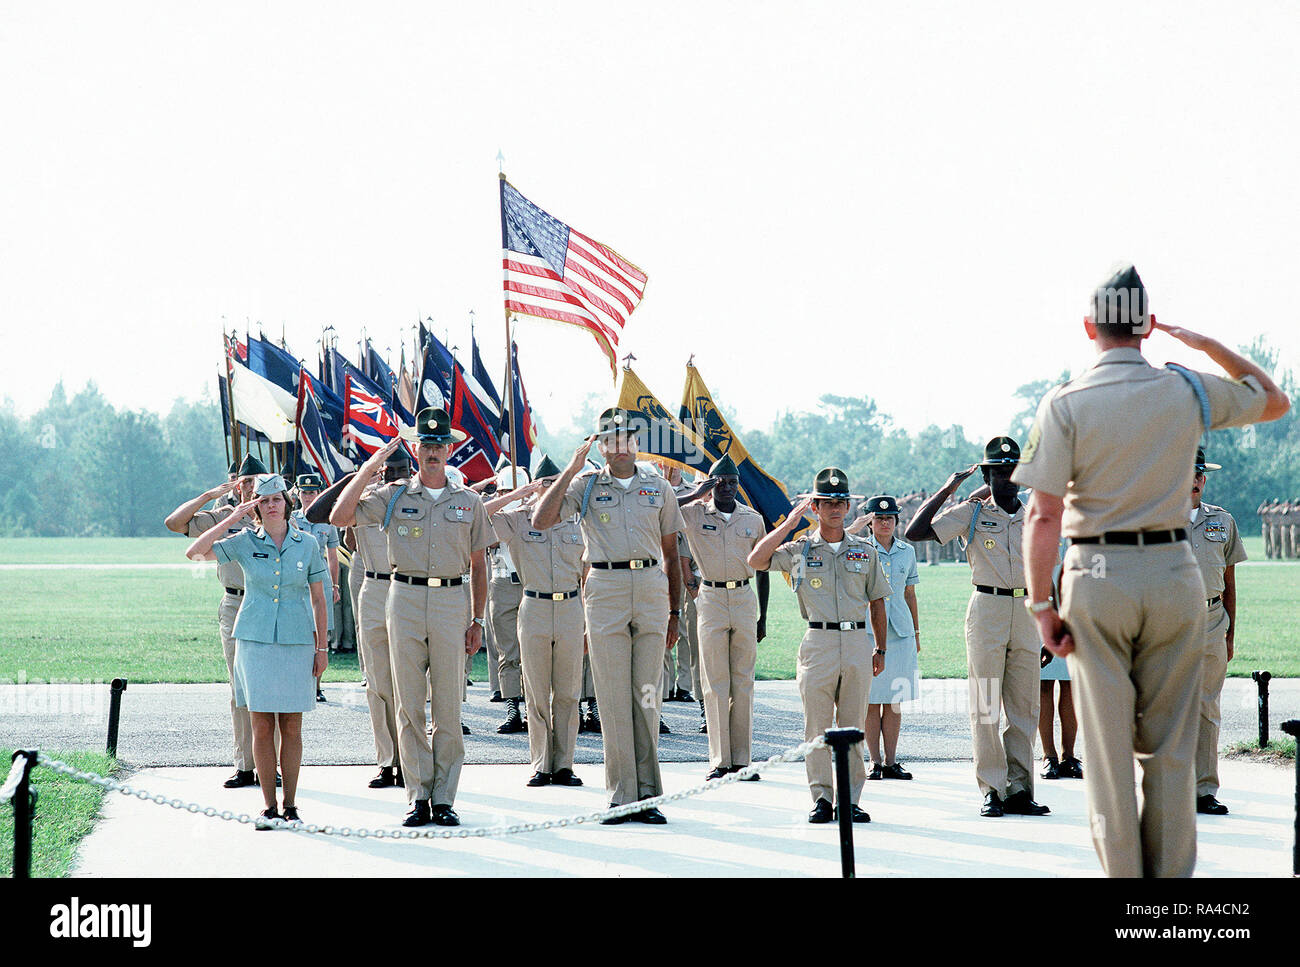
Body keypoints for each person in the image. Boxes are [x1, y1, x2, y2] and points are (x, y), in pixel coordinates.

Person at [1016, 264, 1288, 877]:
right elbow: (1274, 400)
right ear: (1148, 325)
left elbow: (1042, 516)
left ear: (1088, 325)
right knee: (1170, 749)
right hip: (1174, 572)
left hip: (1098, 573)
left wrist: (1041, 607)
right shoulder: (1186, 389)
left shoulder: (1065, 402)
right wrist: (1204, 344)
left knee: (1109, 756)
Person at [330, 409, 491, 828]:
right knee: (408, 704)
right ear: (416, 449)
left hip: (452, 602)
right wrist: (370, 467)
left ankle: (445, 797)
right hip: (402, 598)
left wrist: (478, 620)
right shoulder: (395, 496)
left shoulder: (468, 501)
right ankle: (418, 795)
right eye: (426, 445)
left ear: (448, 449)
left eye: (439, 446)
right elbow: (339, 517)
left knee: (449, 707)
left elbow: (479, 564)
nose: (433, 452)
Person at [532, 408, 685, 824]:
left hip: (651, 590)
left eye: (627, 438)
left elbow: (671, 554)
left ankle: (649, 795)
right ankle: (622, 795)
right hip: (605, 588)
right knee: (614, 699)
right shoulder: (586, 485)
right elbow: (541, 519)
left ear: (637, 442)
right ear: (599, 446)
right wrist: (570, 469)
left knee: (648, 697)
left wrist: (674, 612)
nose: (620, 447)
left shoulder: (658, 487)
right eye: (610, 440)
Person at [906, 437, 1050, 818]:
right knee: (986, 704)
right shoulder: (970, 512)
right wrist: (948, 490)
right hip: (987, 607)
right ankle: (992, 788)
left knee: (1024, 708)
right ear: (987, 475)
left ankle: (1020, 789)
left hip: (1028, 610)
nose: (1008, 477)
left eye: (1013, 469)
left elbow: (1046, 565)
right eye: (999, 470)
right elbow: (915, 533)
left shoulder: (1033, 512)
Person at [186, 473, 329, 828]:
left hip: (297, 641)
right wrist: (234, 517)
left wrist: (322, 647)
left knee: (292, 727)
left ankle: (291, 804)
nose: (271, 505)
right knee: (261, 727)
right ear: (256, 506)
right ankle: (268, 805)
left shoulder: (307, 543)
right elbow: (195, 552)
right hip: (254, 641)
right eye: (263, 501)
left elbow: (319, 599)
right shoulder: (244, 540)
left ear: (287, 502)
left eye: (276, 499)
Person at [749, 468, 889, 824]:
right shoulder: (800, 550)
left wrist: (881, 649)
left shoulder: (864, 551)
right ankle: (822, 798)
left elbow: (878, 602)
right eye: (827, 502)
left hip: (858, 641)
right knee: (817, 726)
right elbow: (756, 561)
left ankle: (850, 800)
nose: (835, 509)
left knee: (853, 724)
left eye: (841, 502)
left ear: (848, 506)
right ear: (815, 506)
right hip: (818, 641)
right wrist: (790, 523)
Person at [486, 454, 588, 787]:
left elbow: (587, 574)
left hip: (572, 607)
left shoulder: (578, 520)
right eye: (545, 484)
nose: (551, 489)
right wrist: (517, 495)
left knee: (569, 691)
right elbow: (476, 517)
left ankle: (564, 764)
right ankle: (541, 763)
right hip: (534, 606)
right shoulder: (518, 519)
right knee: (537, 689)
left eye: (557, 483)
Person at [163, 453, 263, 788]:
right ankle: (245, 764)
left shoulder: (278, 516)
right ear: (237, 484)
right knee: (240, 690)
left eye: (258, 481)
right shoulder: (223, 516)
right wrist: (209, 495)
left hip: (269, 606)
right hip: (235, 603)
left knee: (268, 690)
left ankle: (270, 764)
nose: (252, 487)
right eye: (246, 481)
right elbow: (174, 524)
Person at [678, 455, 770, 781]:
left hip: (745, 598)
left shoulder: (753, 519)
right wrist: (697, 492)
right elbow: (662, 507)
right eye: (721, 481)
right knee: (715, 682)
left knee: (743, 681)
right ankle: (720, 760)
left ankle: (742, 761)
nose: (727, 487)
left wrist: (763, 617)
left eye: (732, 481)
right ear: (711, 483)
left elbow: (762, 570)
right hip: (712, 596)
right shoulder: (693, 513)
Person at [1188, 447, 1247, 816]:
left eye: (1198, 474)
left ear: (1203, 480)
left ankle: (1204, 789)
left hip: (1211, 621)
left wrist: (1230, 633)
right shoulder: (1155, 521)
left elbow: (1229, 581)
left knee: (1207, 709)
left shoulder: (1222, 521)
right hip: (1169, 625)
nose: (1192, 480)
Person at [851, 495, 920, 781]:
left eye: (889, 518)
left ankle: (891, 761)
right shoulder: (858, 548)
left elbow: (910, 593)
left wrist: (916, 632)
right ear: (869, 521)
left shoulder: (907, 551)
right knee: (871, 700)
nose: (884, 523)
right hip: (868, 632)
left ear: (896, 521)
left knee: (894, 701)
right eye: (878, 519)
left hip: (900, 633)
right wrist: (855, 528)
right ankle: (874, 761)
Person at [486, 465, 529, 734]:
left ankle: (535, 707)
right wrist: (507, 499)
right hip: (503, 582)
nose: (512, 496)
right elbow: (481, 515)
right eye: (505, 491)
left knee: (533, 652)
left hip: (530, 583)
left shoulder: (533, 512)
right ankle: (512, 706)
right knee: (508, 651)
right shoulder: (495, 515)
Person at [293, 473, 341, 702]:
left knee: (320, 634)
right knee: (299, 633)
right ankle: (300, 684)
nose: (309, 497)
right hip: (298, 581)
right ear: (298, 494)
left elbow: (333, 557)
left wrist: (336, 585)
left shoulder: (328, 521)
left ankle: (317, 686)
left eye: (313, 492)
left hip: (321, 580)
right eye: (305, 492)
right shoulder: (291, 520)